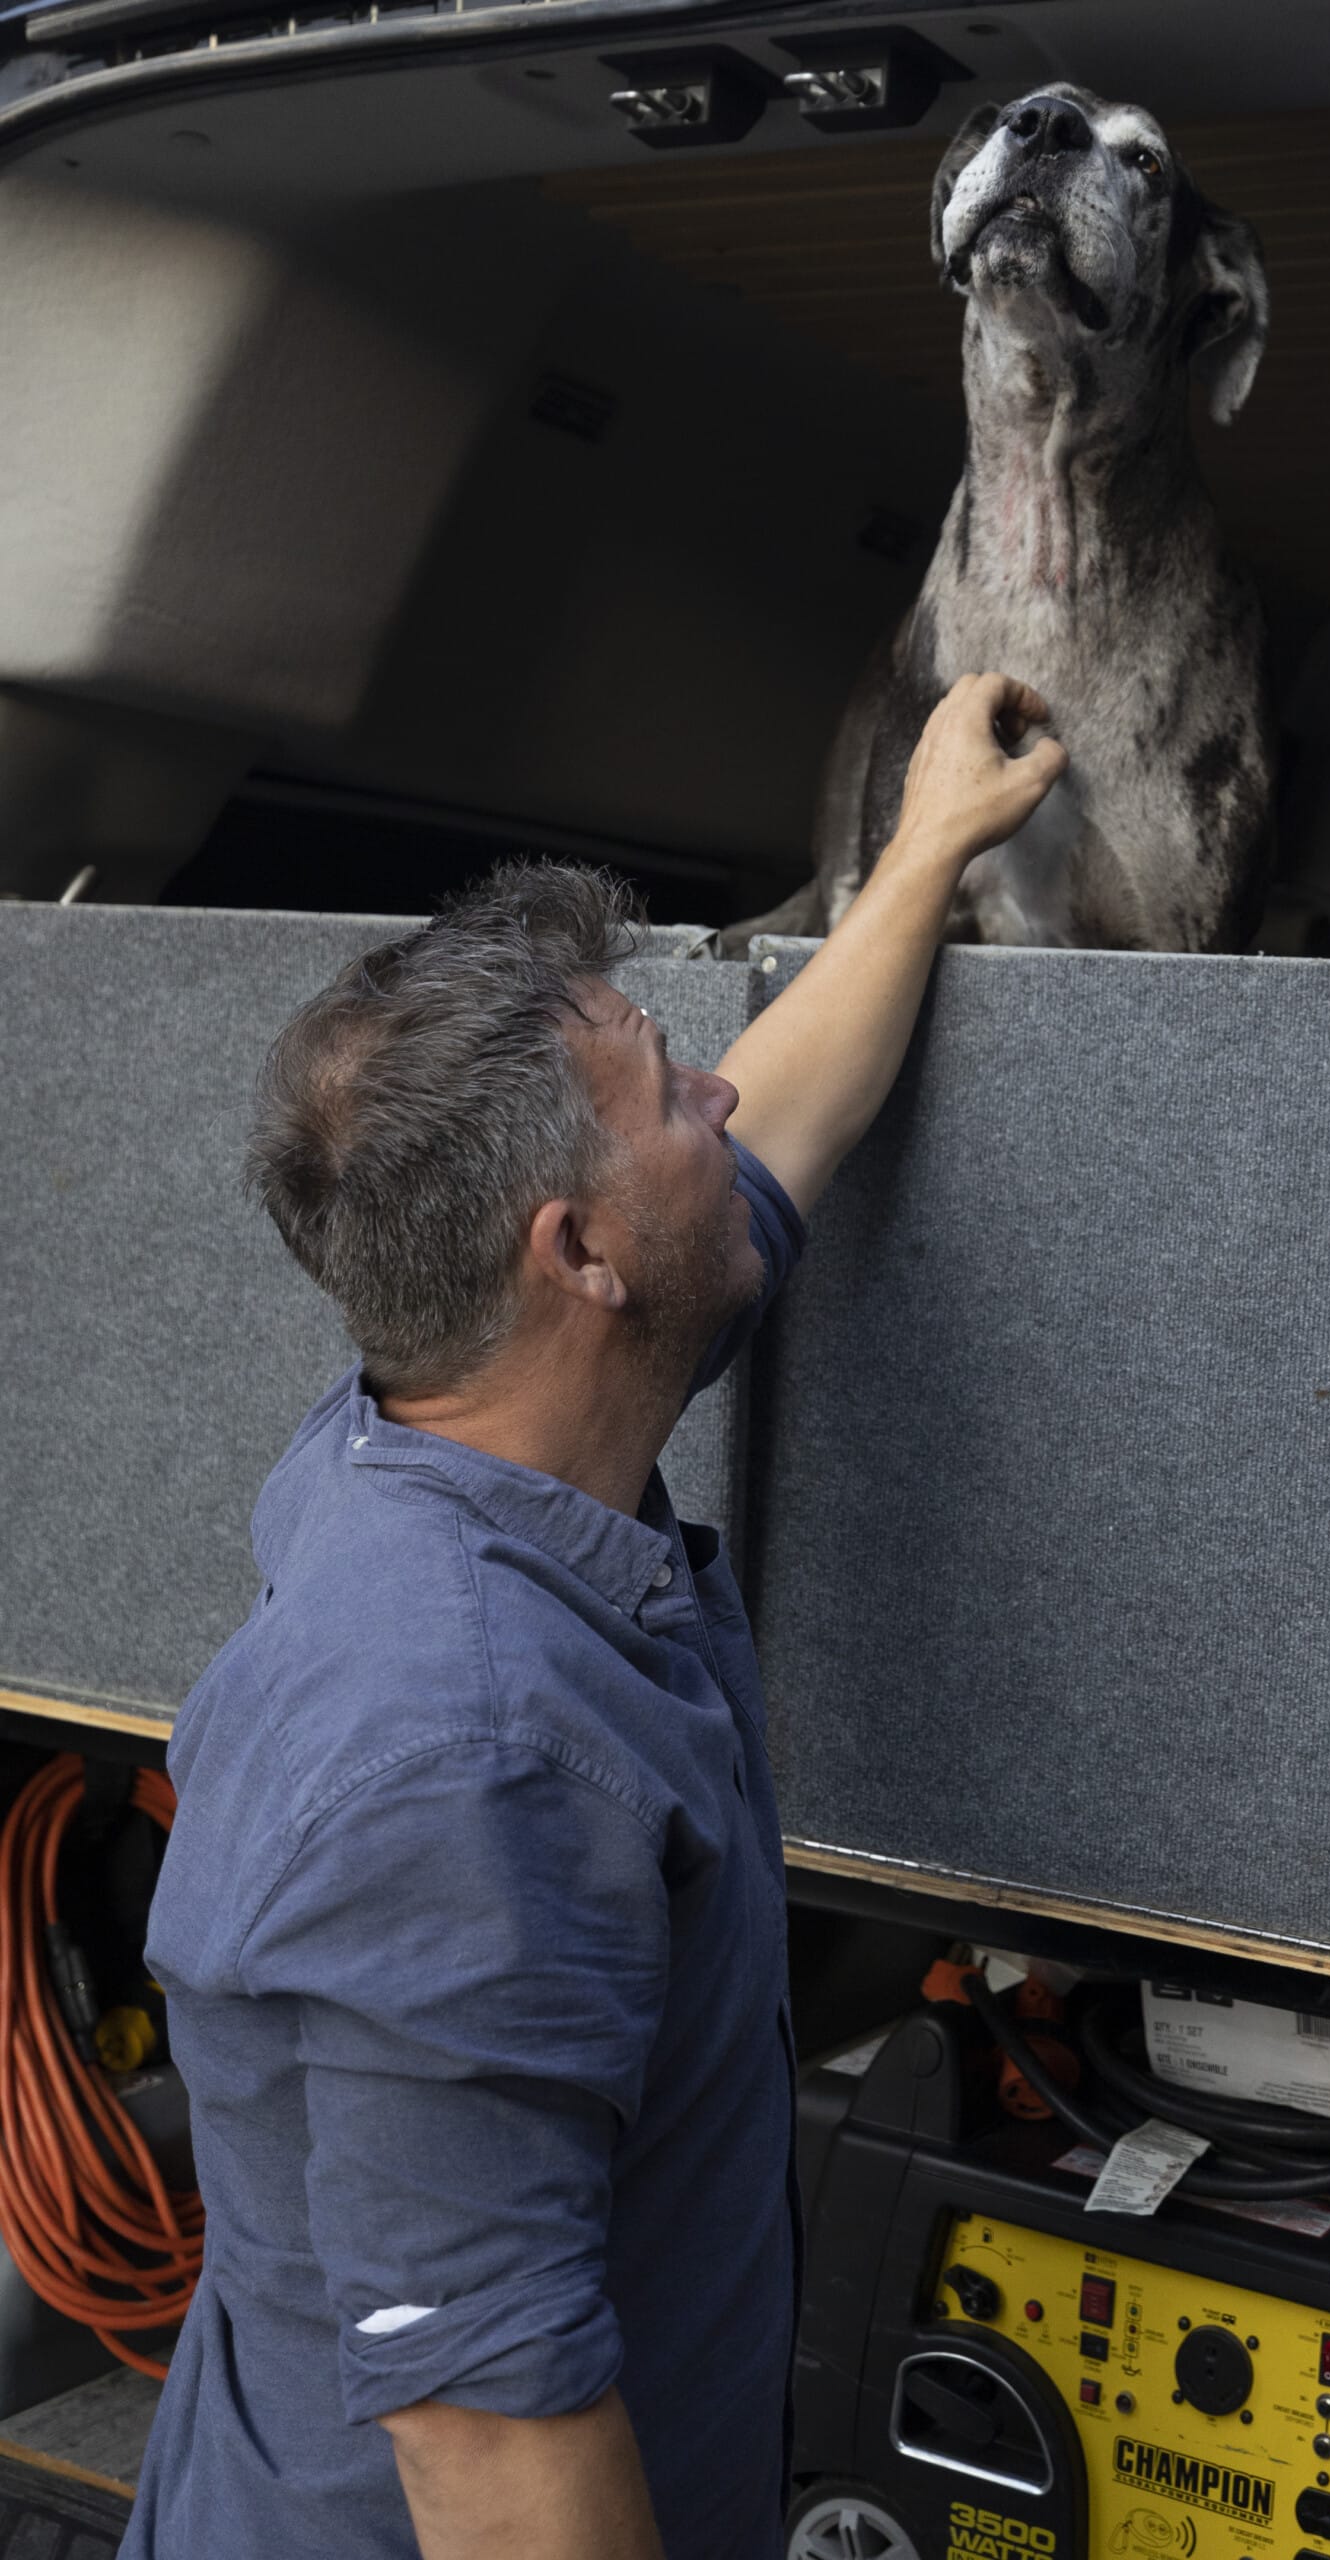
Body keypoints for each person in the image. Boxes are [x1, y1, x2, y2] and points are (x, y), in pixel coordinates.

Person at [119, 676, 1066, 2560]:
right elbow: (492, 2450)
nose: (717, 1088)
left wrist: (929, 850)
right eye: (664, 1089)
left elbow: (771, 1129)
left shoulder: (454, 1423)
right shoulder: (463, 1759)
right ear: (581, 1256)